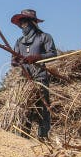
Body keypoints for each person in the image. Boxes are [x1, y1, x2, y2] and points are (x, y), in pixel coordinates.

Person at [10, 9, 58, 140]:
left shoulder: (44, 37)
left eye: (25, 22)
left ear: (32, 23)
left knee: (43, 107)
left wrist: (37, 57)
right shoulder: (19, 41)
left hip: (40, 77)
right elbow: (13, 61)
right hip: (25, 79)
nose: (22, 26)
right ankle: (24, 136)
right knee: (26, 107)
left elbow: (53, 54)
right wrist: (16, 61)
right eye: (21, 23)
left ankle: (43, 136)